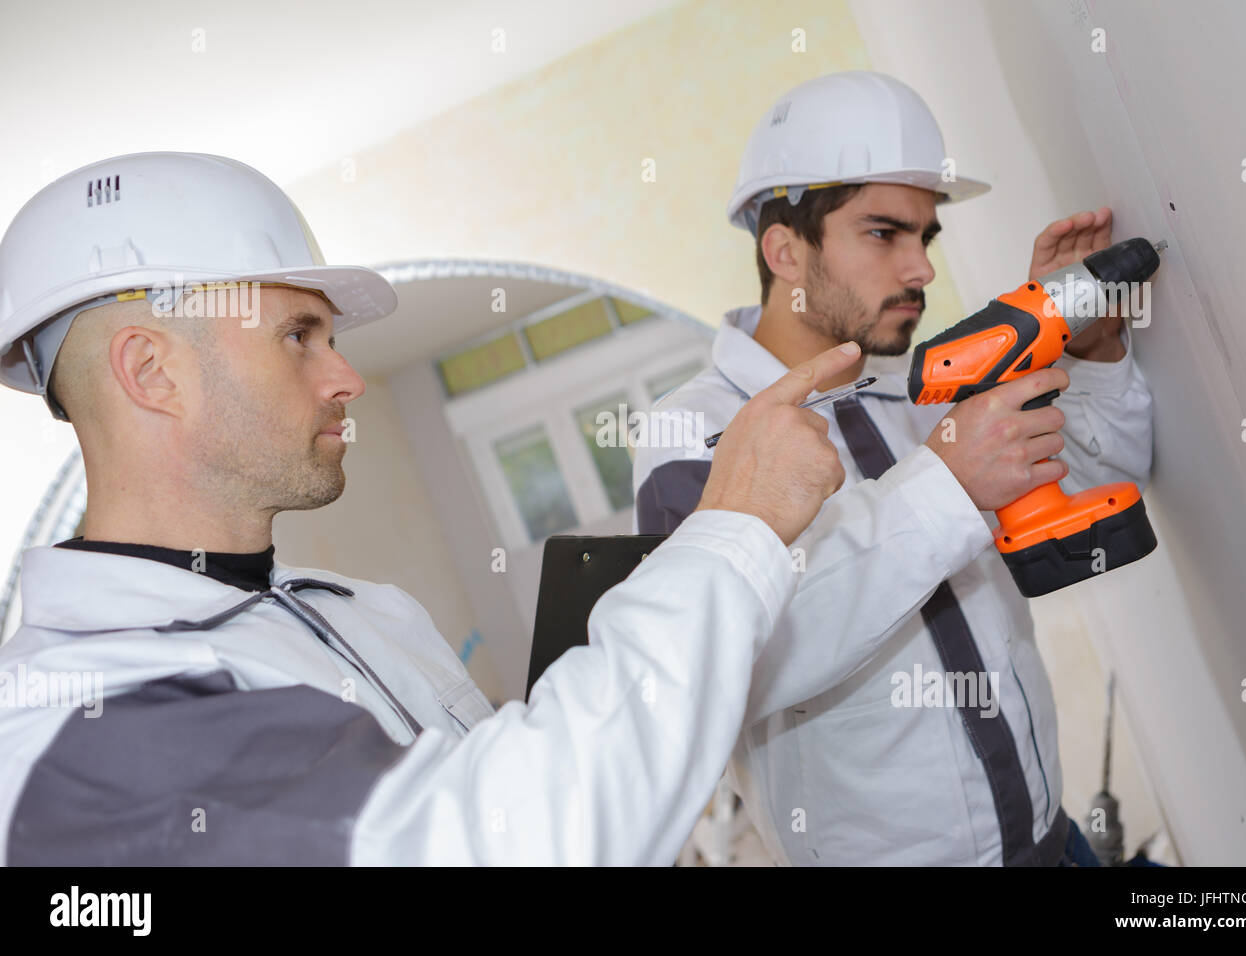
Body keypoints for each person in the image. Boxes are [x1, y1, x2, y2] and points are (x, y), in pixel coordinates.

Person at [0, 151, 986, 865]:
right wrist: (733, 529)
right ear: (150, 371)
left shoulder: (359, 609)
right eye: (298, 333)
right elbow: (508, 838)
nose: (347, 375)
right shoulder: (72, 722)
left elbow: (531, 788)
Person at [634, 72, 1152, 865]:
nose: (921, 271)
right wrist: (946, 482)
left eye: (926, 237)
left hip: (1055, 845)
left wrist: (1088, 353)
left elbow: (1105, 479)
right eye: (884, 234)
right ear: (785, 251)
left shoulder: (921, 389)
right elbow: (740, 658)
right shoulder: (695, 431)